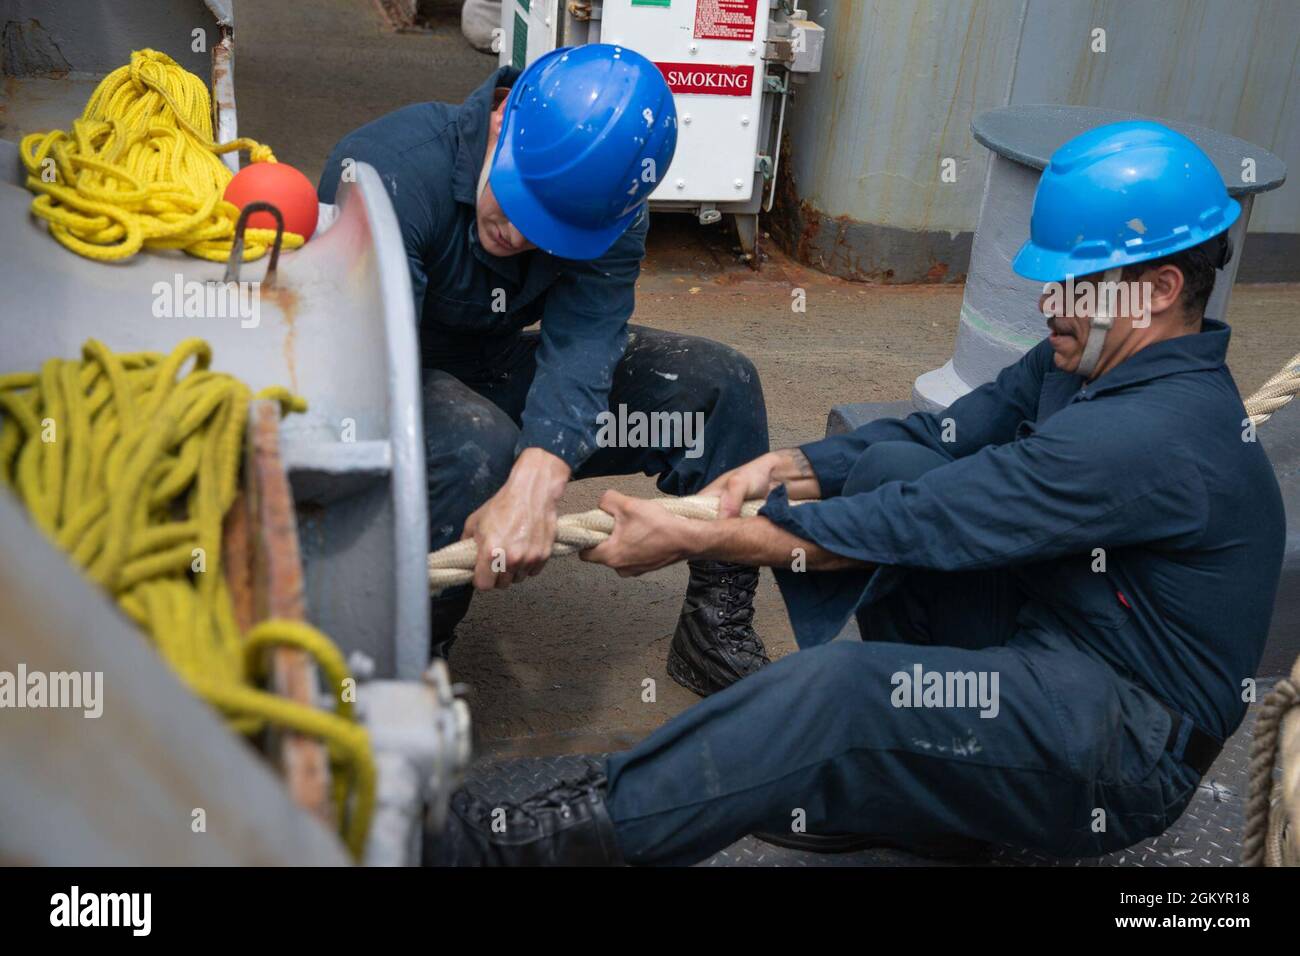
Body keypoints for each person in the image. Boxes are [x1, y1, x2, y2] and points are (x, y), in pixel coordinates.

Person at [424, 121, 1286, 866]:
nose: (1047, 302)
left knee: (842, 695)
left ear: (1158, 291)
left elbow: (930, 522)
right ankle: (933, 809)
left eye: (1070, 283)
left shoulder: (1152, 435)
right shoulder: (1082, 363)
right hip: (1050, 639)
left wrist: (698, 536)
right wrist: (781, 467)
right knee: (888, 469)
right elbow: (937, 441)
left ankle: (533, 841)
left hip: (1121, 745)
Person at [318, 45, 771, 696]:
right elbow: (363, 386)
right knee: (477, 445)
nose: (520, 236)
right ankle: (406, 655)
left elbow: (584, 343)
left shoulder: (607, 206)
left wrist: (540, 475)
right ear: (502, 120)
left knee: (720, 385)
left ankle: (714, 630)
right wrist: (504, 464)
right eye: (520, 204)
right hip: (387, 381)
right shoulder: (387, 173)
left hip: (494, 367)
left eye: (551, 228)